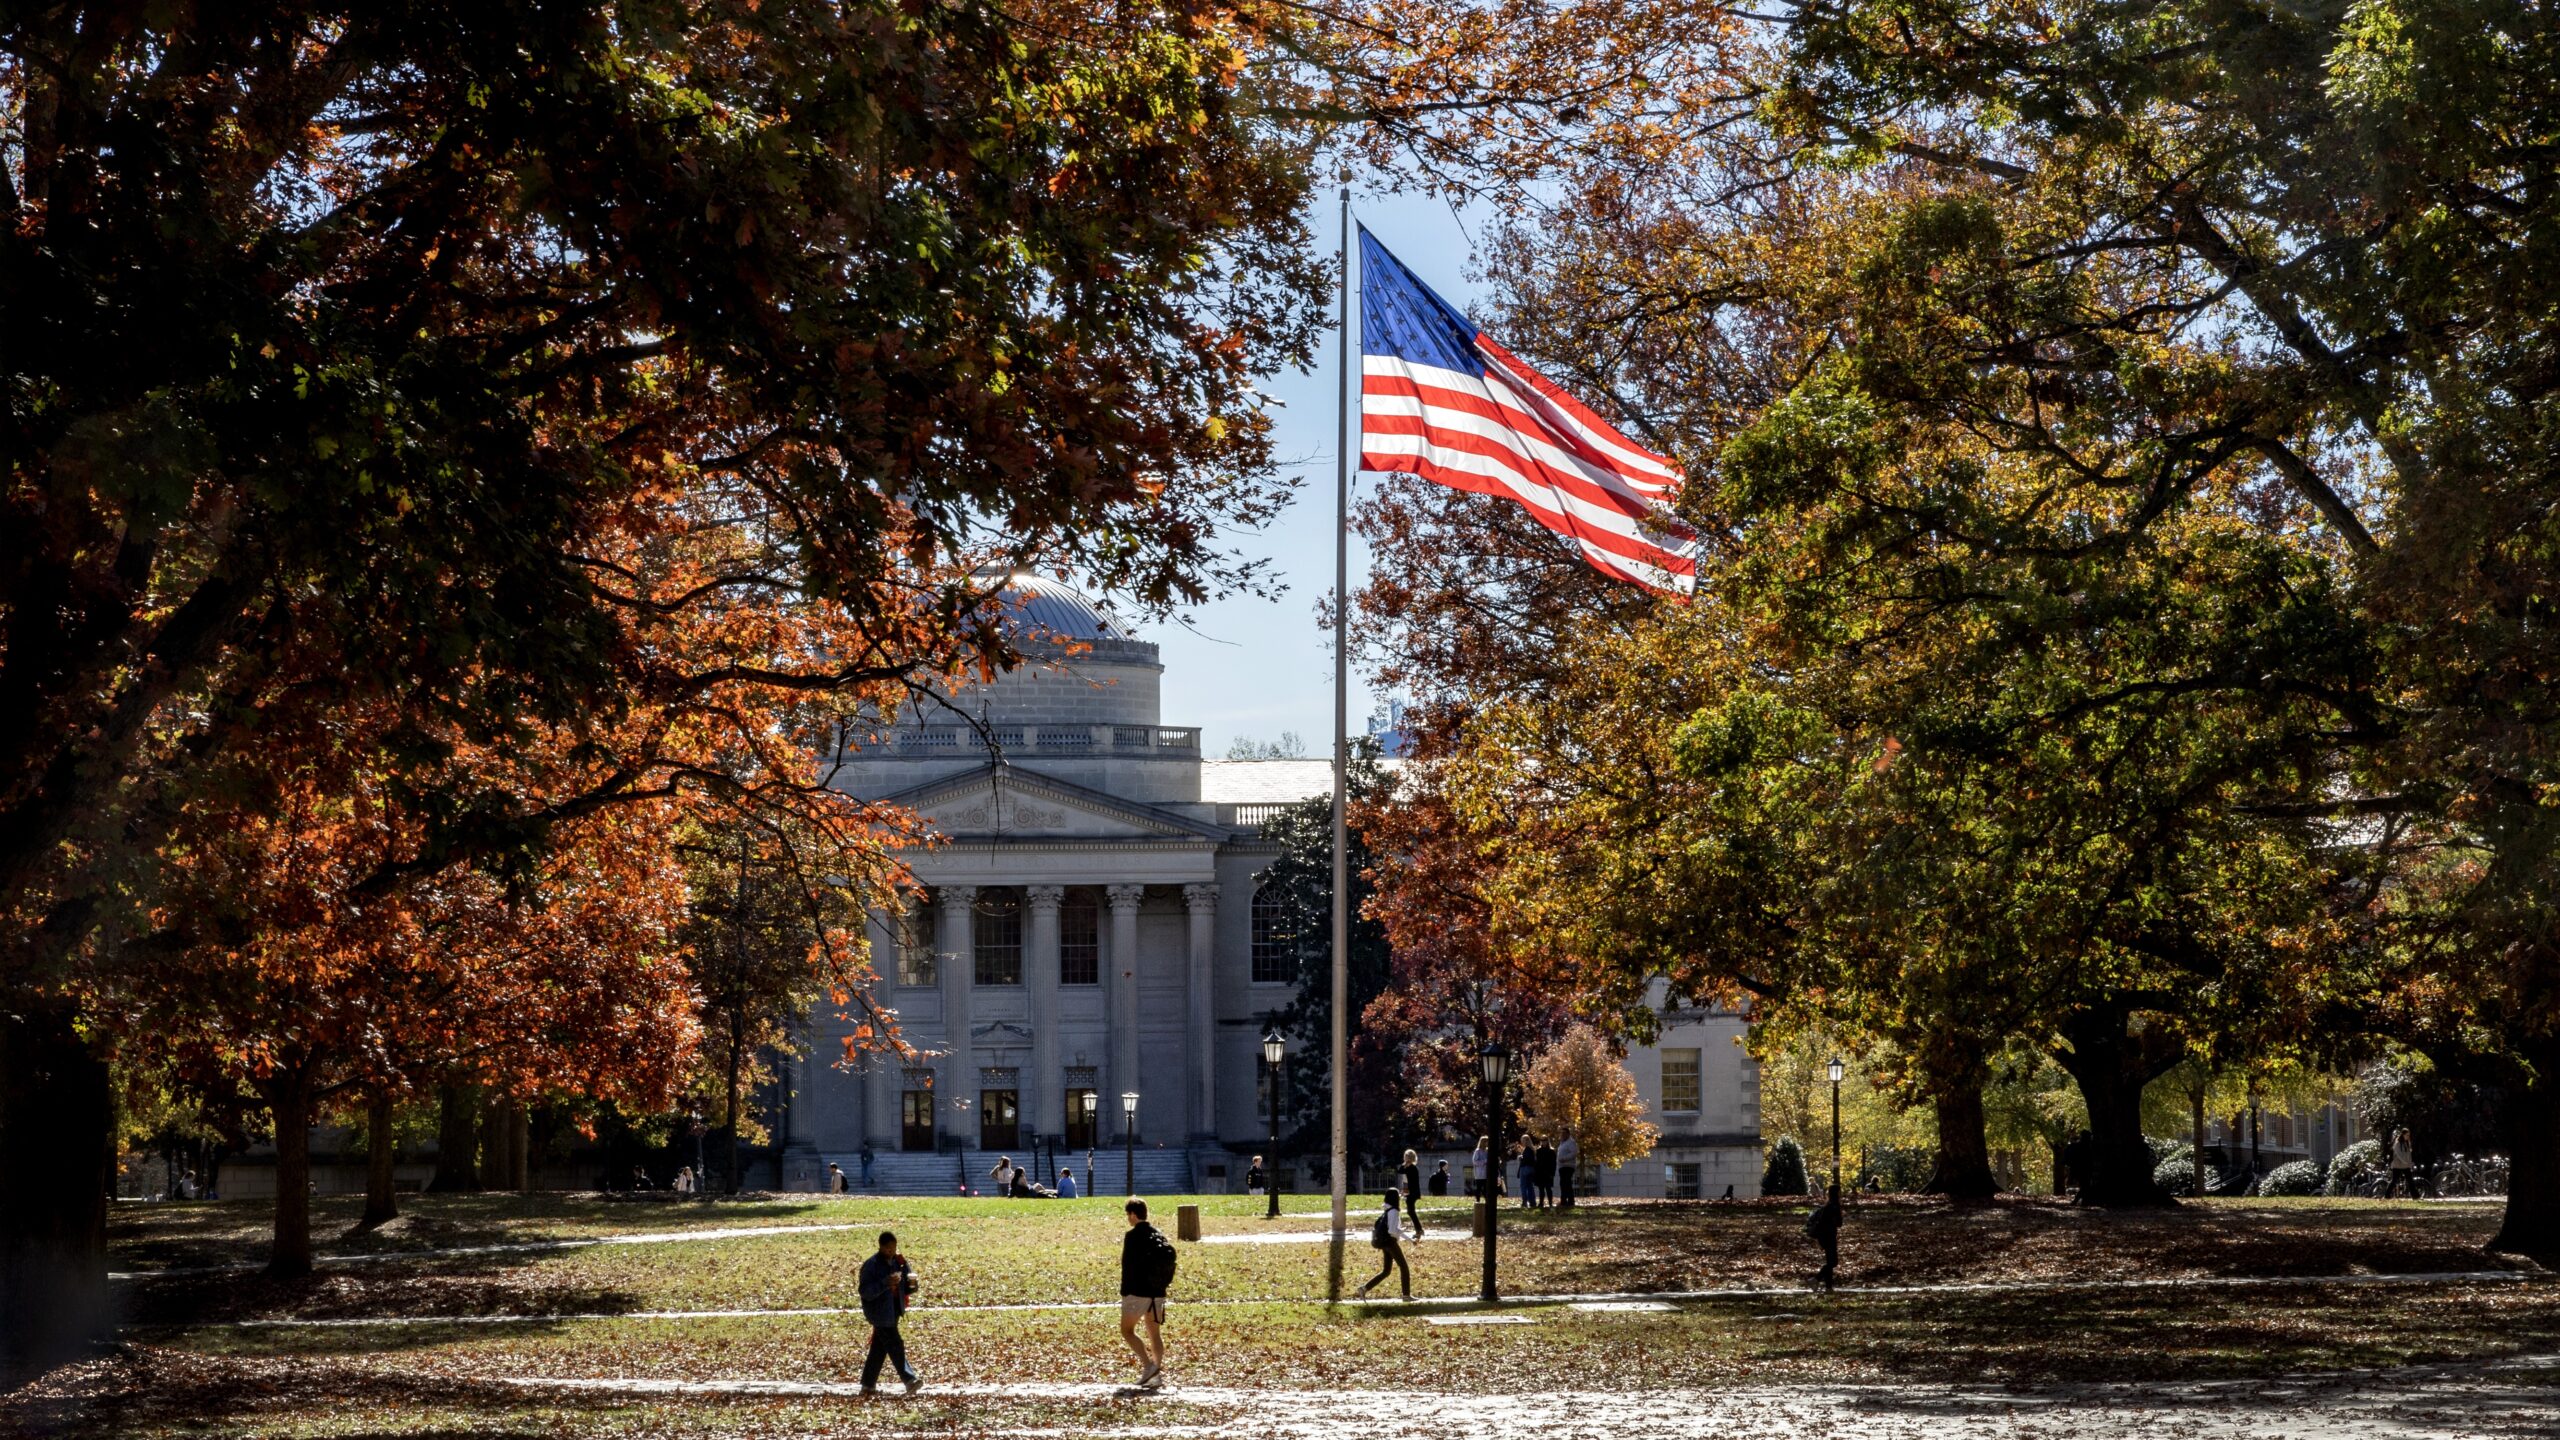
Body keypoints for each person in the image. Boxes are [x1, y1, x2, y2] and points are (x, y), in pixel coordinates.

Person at [857, 1230, 924, 1396]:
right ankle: (909, 1380)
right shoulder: (871, 1265)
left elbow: (908, 1286)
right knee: (895, 1344)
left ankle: (867, 1385)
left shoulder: (898, 1262)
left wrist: (912, 1284)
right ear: (881, 1247)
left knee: (879, 1348)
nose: (892, 1252)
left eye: (894, 1248)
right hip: (879, 1312)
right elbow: (865, 1291)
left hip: (893, 1309)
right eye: (888, 1249)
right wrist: (885, 1283)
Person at [1119, 1198, 1178, 1388]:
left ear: (1133, 1215)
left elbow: (1127, 1266)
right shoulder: (1159, 1235)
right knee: (1154, 1333)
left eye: (1128, 1215)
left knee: (1127, 1331)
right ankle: (1156, 1374)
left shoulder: (1132, 1236)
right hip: (1158, 1292)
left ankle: (1148, 1366)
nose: (1128, 1219)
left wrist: (1125, 1292)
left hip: (1137, 1292)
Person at [1353, 1187, 1412, 1300]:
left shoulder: (1387, 1210)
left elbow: (1394, 1229)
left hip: (1384, 1243)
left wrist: (1410, 1240)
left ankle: (1364, 1288)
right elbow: (1392, 1231)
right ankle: (1406, 1295)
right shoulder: (1394, 1212)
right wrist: (1404, 1231)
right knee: (1404, 1267)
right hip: (1390, 1242)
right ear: (1395, 1198)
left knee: (1386, 1271)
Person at [1805, 1184, 1843, 1291]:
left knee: (1829, 1261)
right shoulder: (1835, 1206)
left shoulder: (1828, 1205)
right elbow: (1839, 1223)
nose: (1841, 1194)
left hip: (1824, 1236)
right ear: (1837, 1193)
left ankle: (1828, 1286)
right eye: (1840, 1192)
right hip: (1829, 1236)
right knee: (1833, 1262)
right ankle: (1815, 1279)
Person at [1398, 1149, 1425, 1239]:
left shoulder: (1413, 1168)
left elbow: (1412, 1182)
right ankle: (1419, 1229)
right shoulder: (1406, 1167)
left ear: (1410, 1157)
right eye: (1405, 1156)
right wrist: (1404, 1164)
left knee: (1410, 1211)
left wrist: (1406, 1192)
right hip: (1408, 1191)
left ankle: (1419, 1229)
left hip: (1412, 1192)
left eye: (1407, 1156)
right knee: (1411, 1211)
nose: (1405, 1158)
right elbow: (1400, 1171)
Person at [2389, 1127, 2418, 1199]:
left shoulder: (2407, 1143)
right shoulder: (2397, 1143)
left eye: (2409, 1135)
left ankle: (2415, 1196)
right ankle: (2387, 1195)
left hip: (2405, 1166)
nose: (2408, 1137)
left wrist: (2410, 1163)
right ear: (2403, 1135)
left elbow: (2408, 1154)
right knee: (2394, 1181)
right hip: (2398, 1166)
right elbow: (2399, 1154)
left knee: (2410, 1181)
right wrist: (2405, 1161)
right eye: (2407, 1135)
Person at [1534, 1137, 1558, 1209]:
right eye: (1542, 1141)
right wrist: (1536, 1172)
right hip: (1540, 1173)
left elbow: (1553, 1164)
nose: (1543, 1142)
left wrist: (1552, 1173)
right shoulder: (1538, 1151)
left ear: (1547, 1141)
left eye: (1545, 1141)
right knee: (1541, 1189)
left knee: (1548, 1189)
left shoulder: (1551, 1151)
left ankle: (1550, 1203)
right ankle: (1541, 1203)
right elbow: (1536, 1163)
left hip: (1548, 1173)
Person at [1556, 1134, 1579, 1209]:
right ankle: (1563, 1201)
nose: (1561, 1135)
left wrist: (1564, 1158)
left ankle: (1570, 1201)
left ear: (1567, 1134)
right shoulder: (1561, 1143)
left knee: (1567, 1182)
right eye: (1561, 1133)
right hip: (1562, 1166)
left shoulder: (1571, 1142)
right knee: (1563, 1183)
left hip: (1568, 1166)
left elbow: (1574, 1153)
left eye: (1564, 1133)